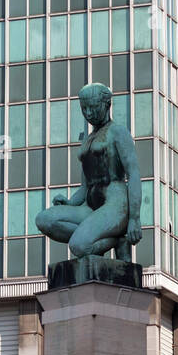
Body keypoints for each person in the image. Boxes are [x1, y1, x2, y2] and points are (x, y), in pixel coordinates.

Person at [35, 82, 142, 261]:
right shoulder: (87, 140)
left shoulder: (118, 132)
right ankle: (107, 236)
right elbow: (85, 187)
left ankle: (115, 239)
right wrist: (69, 203)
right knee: (44, 220)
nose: (89, 114)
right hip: (90, 205)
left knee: (78, 246)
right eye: (85, 109)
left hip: (115, 203)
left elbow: (134, 174)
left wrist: (134, 218)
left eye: (94, 108)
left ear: (107, 104)